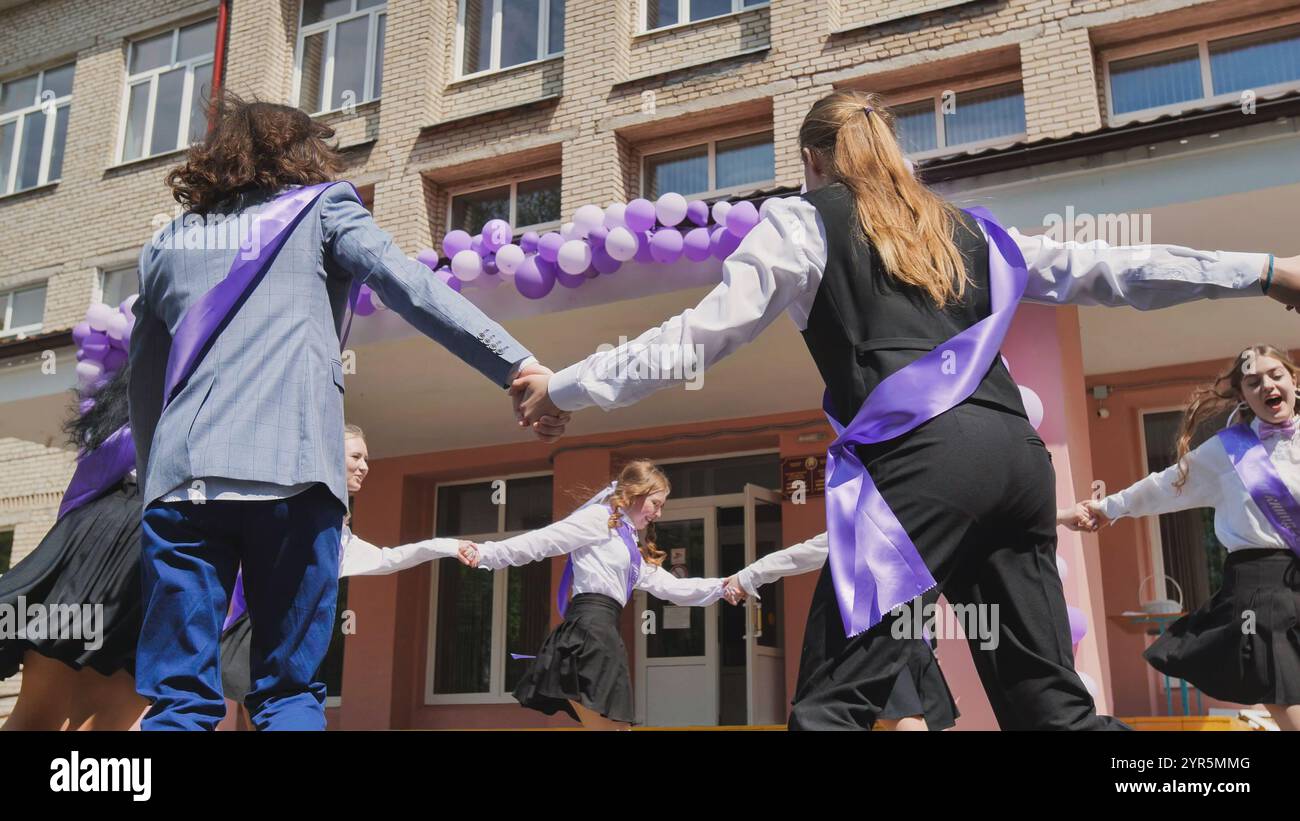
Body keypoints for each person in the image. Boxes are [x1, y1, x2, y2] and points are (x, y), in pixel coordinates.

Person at [509, 88, 1298, 730]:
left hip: (920, 470)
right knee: (1051, 706)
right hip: (1016, 461)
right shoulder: (973, 232)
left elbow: (696, 339)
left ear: (812, 161)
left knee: (833, 703)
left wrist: (564, 387)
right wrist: (1265, 268)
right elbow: (1116, 269)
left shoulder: (801, 219)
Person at [128, 95, 564, 731]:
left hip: (182, 489)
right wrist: (516, 365)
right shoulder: (323, 208)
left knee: (178, 700)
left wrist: (154, 477)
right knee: (285, 690)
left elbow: (146, 378)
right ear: (305, 154)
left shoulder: (167, 241)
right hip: (293, 477)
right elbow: (408, 286)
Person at [1063, 345, 1300, 731]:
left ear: (1294, 380)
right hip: (1260, 587)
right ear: (1242, 396)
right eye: (1254, 382)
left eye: (1276, 375)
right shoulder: (1230, 452)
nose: (1267, 386)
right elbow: (1163, 485)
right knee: (1283, 692)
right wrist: (1109, 509)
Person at [218, 424, 473, 727]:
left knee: (266, 714)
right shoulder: (291, 502)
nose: (364, 467)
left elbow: (388, 558)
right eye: (356, 457)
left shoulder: (339, 535)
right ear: (331, 455)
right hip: (255, 630)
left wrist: (446, 545)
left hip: (291, 639)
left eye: (367, 459)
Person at [458, 459, 734, 729]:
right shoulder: (598, 519)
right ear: (633, 494)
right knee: (612, 727)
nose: (658, 514)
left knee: (615, 727)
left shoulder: (629, 544)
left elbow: (671, 587)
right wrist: (487, 553)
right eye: (656, 503)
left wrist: (725, 586)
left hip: (603, 633)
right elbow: (543, 541)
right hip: (589, 632)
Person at [0, 365, 148, 730]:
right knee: (107, 718)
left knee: (37, 715)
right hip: (158, 539)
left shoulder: (150, 367)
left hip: (94, 535)